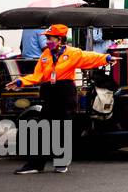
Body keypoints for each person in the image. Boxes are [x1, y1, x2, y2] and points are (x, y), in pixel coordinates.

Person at [6, 24, 112, 174]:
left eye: (50, 38)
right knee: (42, 128)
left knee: (62, 129)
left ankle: (61, 162)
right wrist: (19, 82)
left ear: (60, 39)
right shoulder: (45, 56)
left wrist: (106, 58)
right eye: (47, 38)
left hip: (65, 93)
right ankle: (35, 164)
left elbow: (89, 57)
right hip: (50, 93)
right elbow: (38, 76)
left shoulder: (73, 53)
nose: (47, 41)